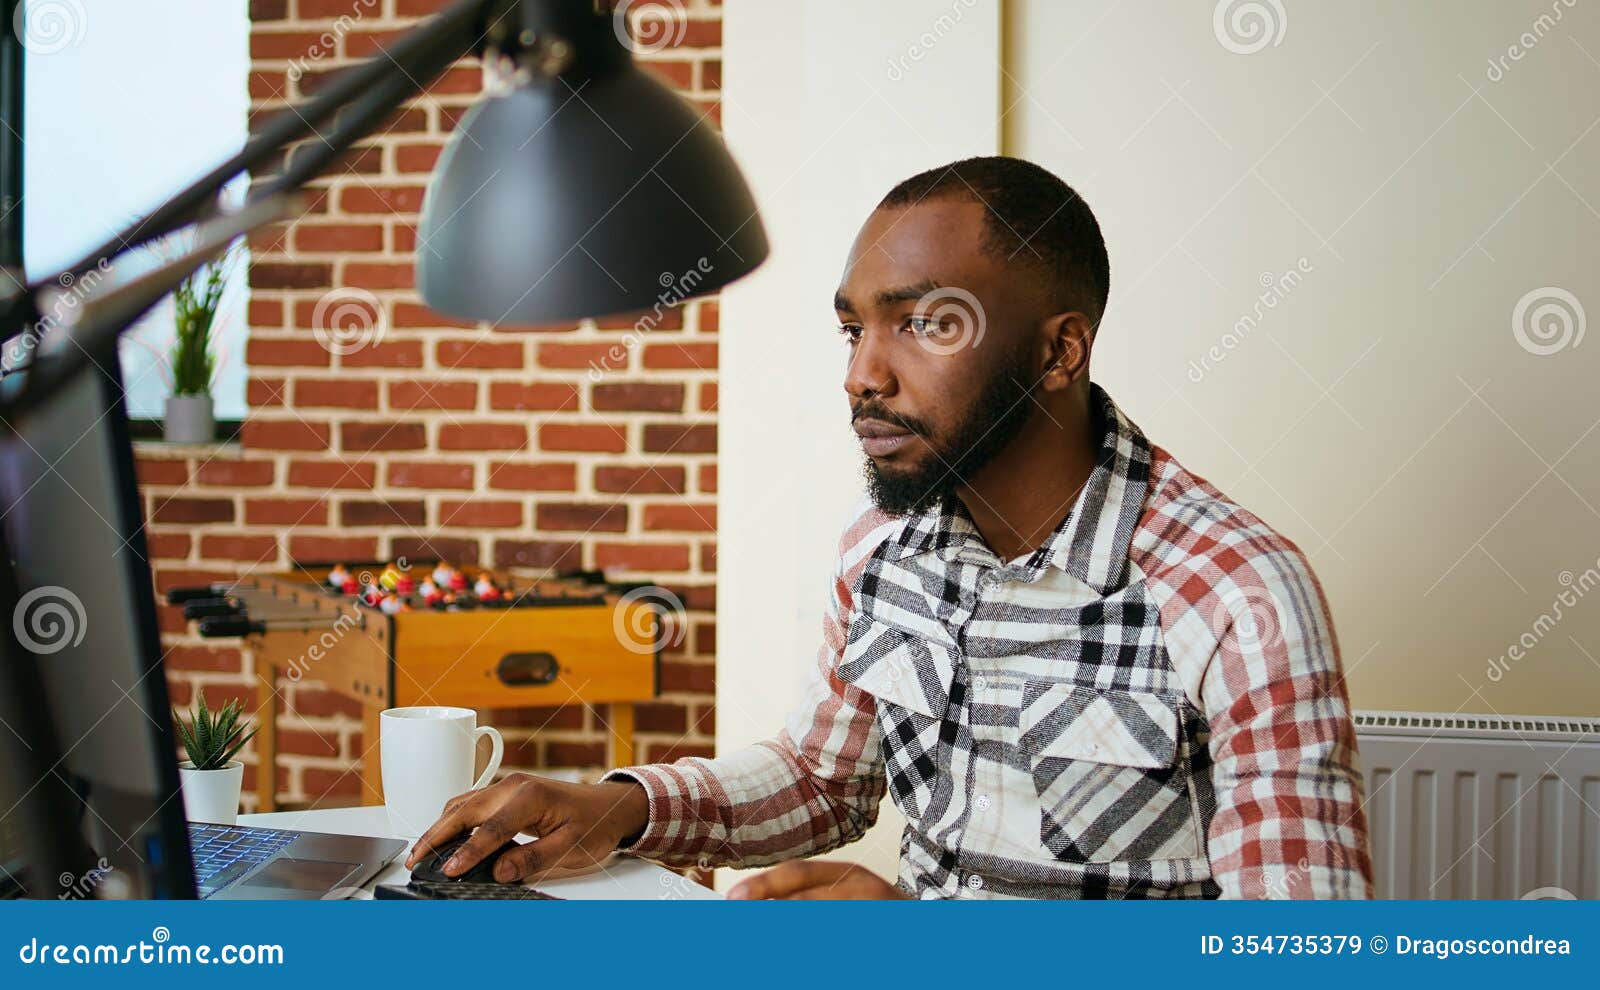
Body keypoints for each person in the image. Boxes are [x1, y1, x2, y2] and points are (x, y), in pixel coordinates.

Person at [406, 156, 1375, 899]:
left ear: (1058, 349)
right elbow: (823, 779)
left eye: (922, 324)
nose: (862, 373)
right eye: (853, 328)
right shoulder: (881, 546)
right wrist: (617, 807)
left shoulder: (1235, 591)